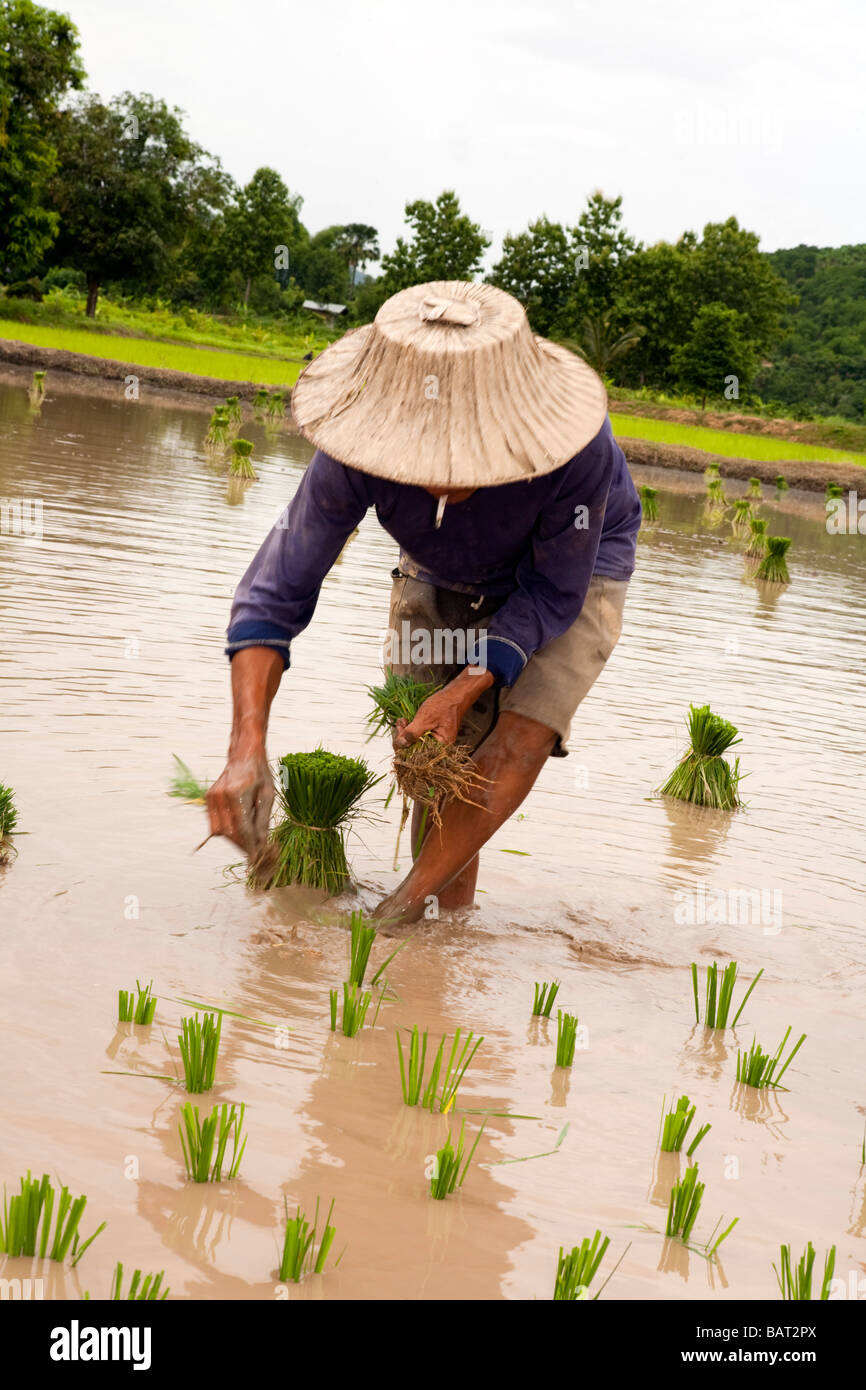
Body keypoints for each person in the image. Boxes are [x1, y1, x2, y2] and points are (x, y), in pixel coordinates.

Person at [206, 280, 641, 923]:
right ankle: (443, 940)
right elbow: (275, 591)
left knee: (519, 733)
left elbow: (552, 591)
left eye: (464, 459)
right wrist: (247, 747)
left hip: (571, 570)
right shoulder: (357, 448)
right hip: (437, 562)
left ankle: (403, 912)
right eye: (423, 460)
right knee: (430, 755)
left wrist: (468, 683)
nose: (441, 477)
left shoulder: (574, 454)